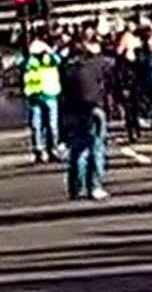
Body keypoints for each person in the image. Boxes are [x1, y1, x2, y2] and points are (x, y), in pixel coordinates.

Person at [60, 33, 114, 201]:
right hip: (94, 109)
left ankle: (75, 187)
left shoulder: (66, 68)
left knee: (77, 150)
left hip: (72, 111)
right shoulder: (95, 65)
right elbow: (110, 70)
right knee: (96, 148)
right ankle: (95, 186)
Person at [22, 34, 63, 163]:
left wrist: (49, 51)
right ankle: (39, 151)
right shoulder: (30, 62)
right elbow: (23, 65)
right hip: (35, 98)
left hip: (50, 96)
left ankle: (53, 150)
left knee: (52, 126)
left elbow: (58, 60)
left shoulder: (50, 60)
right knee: (36, 126)